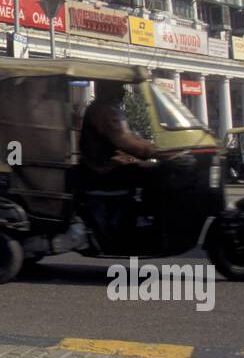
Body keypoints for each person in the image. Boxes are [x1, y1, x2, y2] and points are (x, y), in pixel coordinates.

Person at [70, 80, 181, 246]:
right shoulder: (105, 111)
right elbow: (126, 141)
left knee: (150, 169)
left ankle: (142, 217)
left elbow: (132, 137)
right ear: (108, 89)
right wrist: (158, 152)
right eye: (118, 87)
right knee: (156, 173)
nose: (123, 92)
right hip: (103, 169)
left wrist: (157, 148)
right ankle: (144, 220)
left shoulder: (107, 109)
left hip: (107, 165)